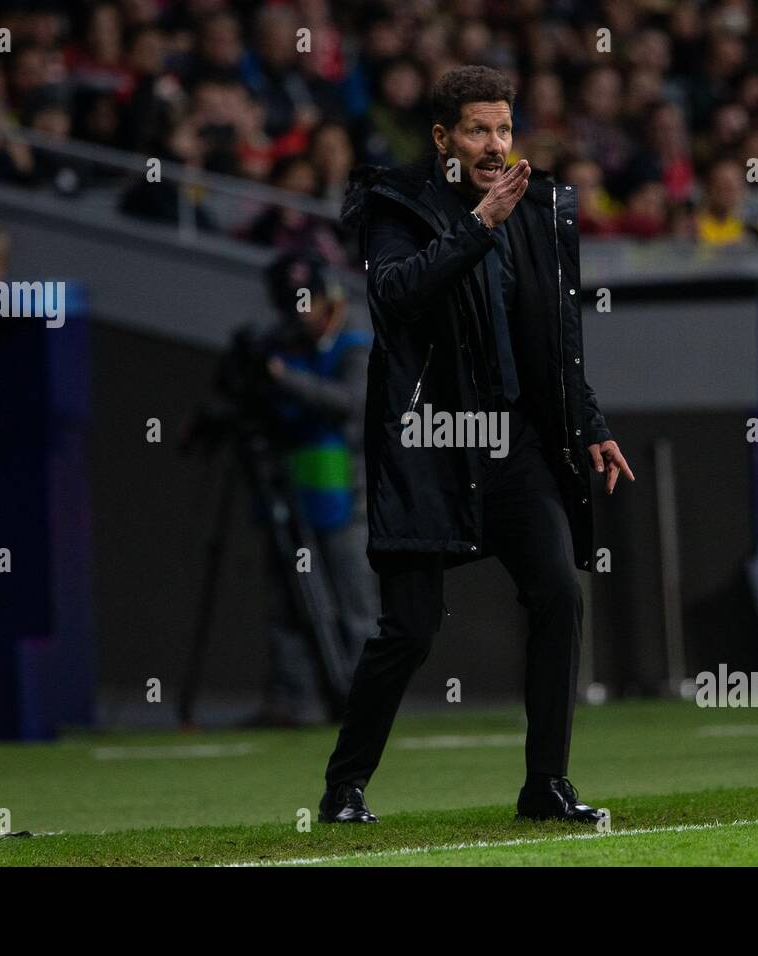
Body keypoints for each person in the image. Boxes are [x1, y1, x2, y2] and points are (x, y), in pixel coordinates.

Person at [321, 65, 633, 824]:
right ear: (442, 138)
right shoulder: (397, 204)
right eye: (477, 130)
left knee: (558, 593)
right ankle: (343, 788)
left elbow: (553, 341)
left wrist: (589, 423)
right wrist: (478, 222)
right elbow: (395, 295)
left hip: (514, 441)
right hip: (430, 443)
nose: (495, 145)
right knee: (411, 629)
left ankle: (545, 785)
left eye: (503, 129)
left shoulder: (533, 208)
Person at [256, 252, 377, 726]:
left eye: (306, 302)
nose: (299, 313)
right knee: (289, 600)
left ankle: (364, 703)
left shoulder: (355, 345)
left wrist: (285, 379)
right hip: (294, 491)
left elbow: (348, 403)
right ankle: (293, 702)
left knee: (355, 605)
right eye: (291, 305)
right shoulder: (283, 343)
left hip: (348, 493)